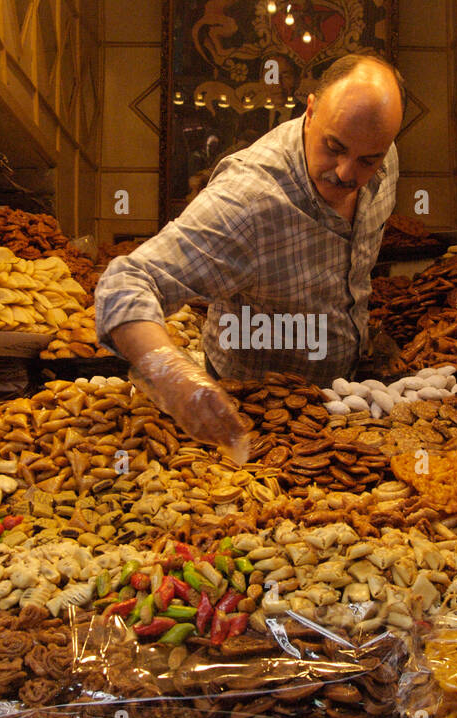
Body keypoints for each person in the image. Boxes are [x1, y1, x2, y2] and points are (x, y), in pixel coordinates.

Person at [95, 53, 403, 460]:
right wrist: (173, 378)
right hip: (251, 419)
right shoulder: (249, 200)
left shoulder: (386, 156)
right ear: (310, 111)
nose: (347, 173)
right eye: (334, 148)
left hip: (340, 407)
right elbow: (126, 283)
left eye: (368, 160)